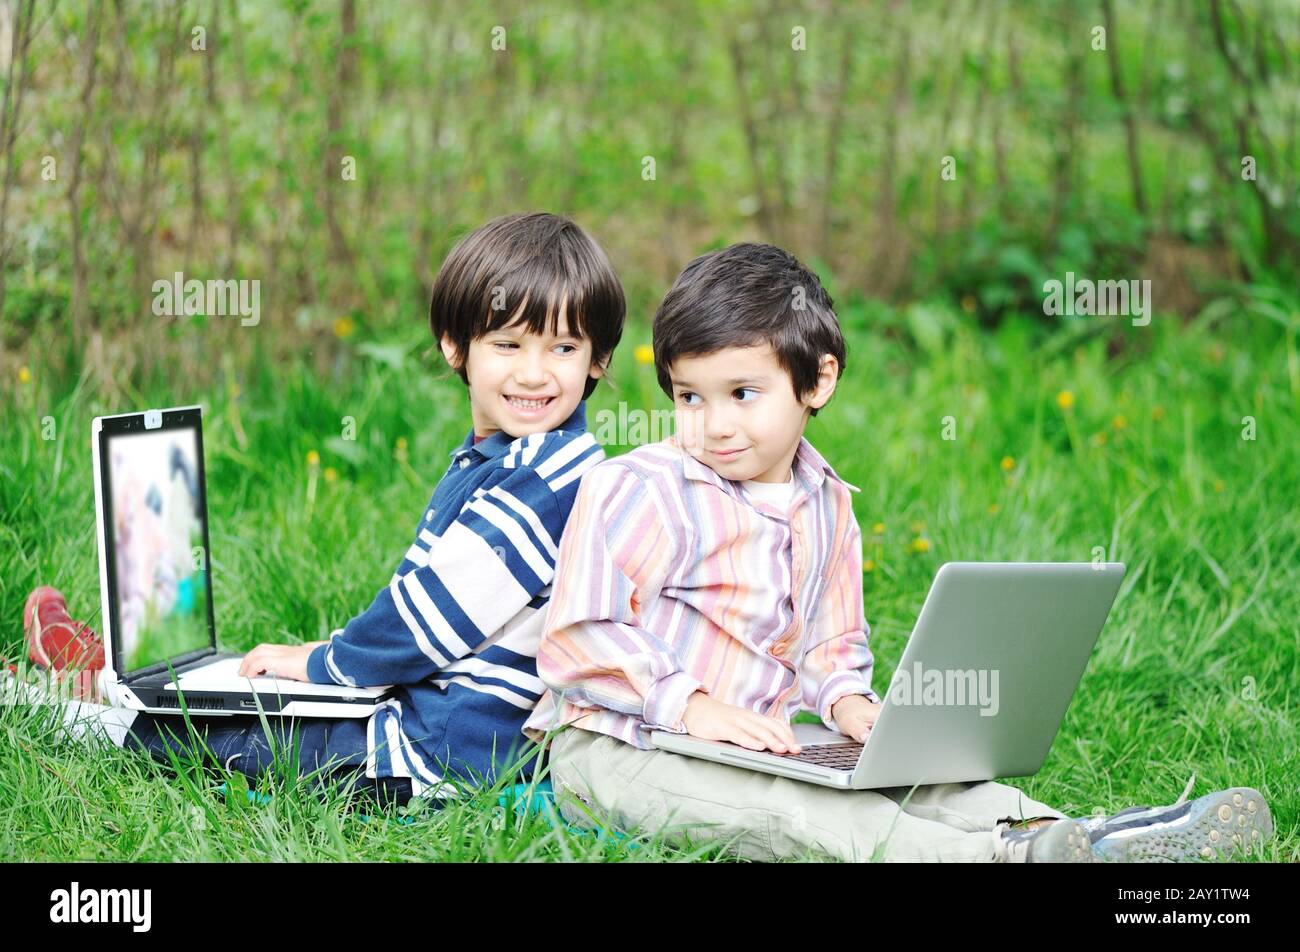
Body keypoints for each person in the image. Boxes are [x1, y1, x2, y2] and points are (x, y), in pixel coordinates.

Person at [523, 242, 1273, 862]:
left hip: (768, 739)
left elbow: (830, 648)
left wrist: (853, 709)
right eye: (691, 397)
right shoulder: (640, 488)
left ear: (817, 381)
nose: (713, 424)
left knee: (930, 783)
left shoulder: (829, 505)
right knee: (795, 815)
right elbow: (578, 634)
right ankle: (1006, 860)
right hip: (622, 747)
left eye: (742, 394)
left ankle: (1093, 836)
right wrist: (691, 705)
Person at [8, 212, 626, 810]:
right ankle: (118, 677)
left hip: (442, 751)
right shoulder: (516, 457)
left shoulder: (545, 480)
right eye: (508, 344)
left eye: (563, 347)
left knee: (235, 740)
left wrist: (323, 664)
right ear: (454, 347)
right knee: (262, 692)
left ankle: (78, 715)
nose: (534, 372)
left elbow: (426, 621)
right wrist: (327, 657)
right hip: (438, 715)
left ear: (597, 359)